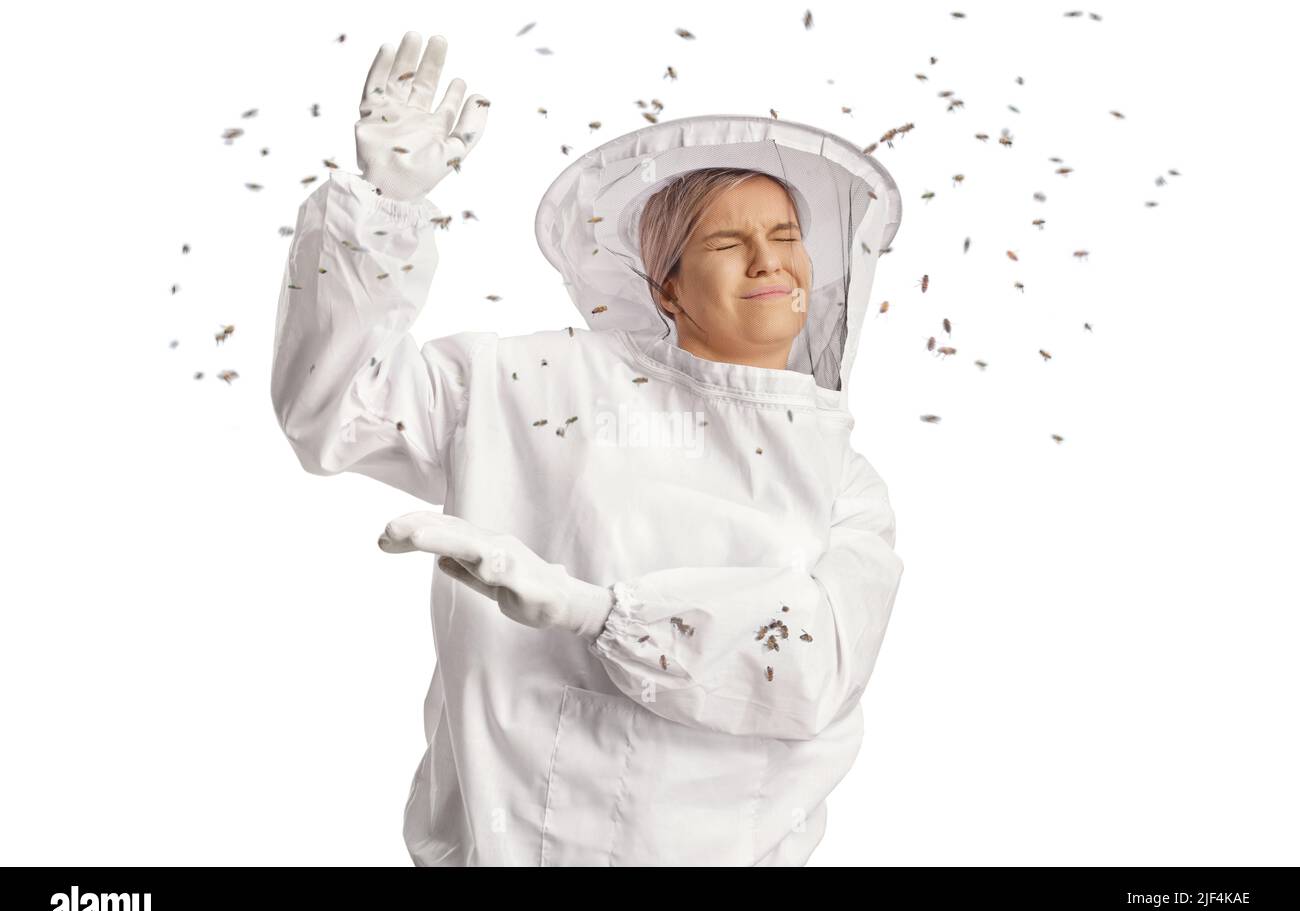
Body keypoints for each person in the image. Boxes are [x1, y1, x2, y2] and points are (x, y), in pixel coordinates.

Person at [271, 30, 905, 866]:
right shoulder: (534, 385)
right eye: (726, 242)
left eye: (786, 237)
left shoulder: (845, 486)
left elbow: (812, 668)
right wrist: (383, 208)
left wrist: (590, 612)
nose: (770, 262)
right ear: (666, 284)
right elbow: (338, 412)